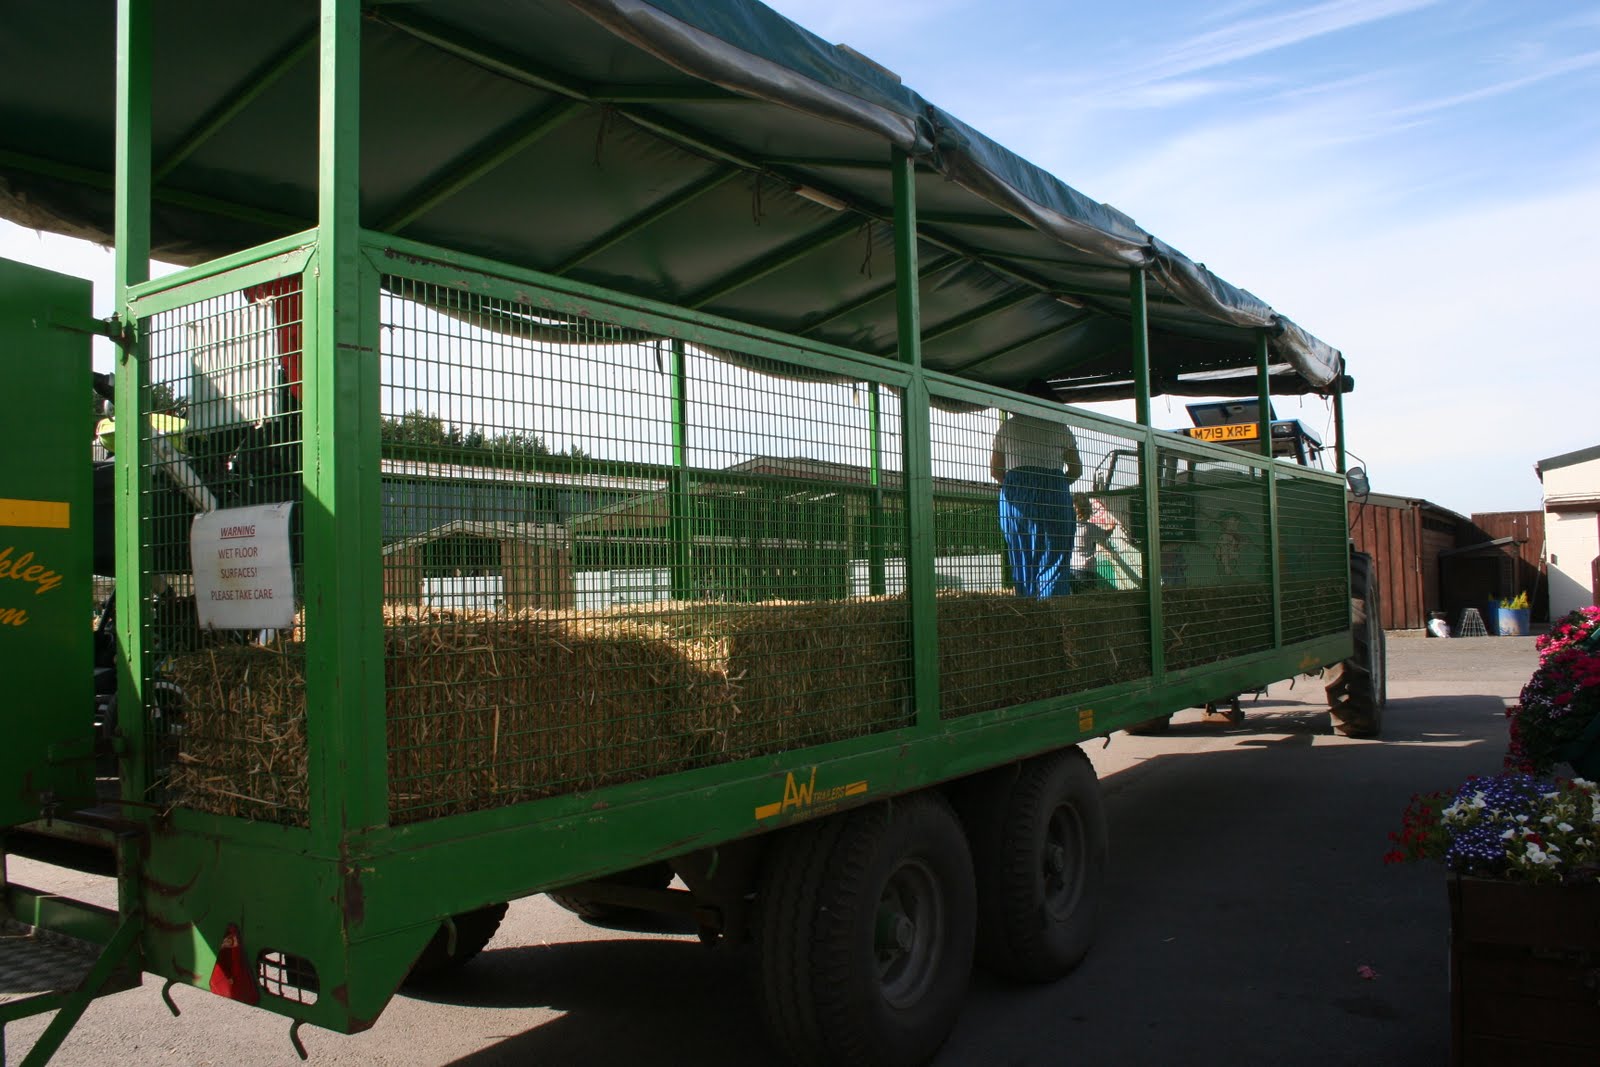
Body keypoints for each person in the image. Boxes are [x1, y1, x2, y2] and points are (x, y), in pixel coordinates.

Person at [991, 381, 1082, 598]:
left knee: (1021, 553)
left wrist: (1016, 486)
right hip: (1054, 490)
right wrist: (1059, 484)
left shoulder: (1007, 427)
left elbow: (995, 470)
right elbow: (1076, 469)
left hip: (1016, 491)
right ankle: (1055, 610)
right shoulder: (1060, 427)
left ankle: (1029, 607)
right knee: (1055, 553)